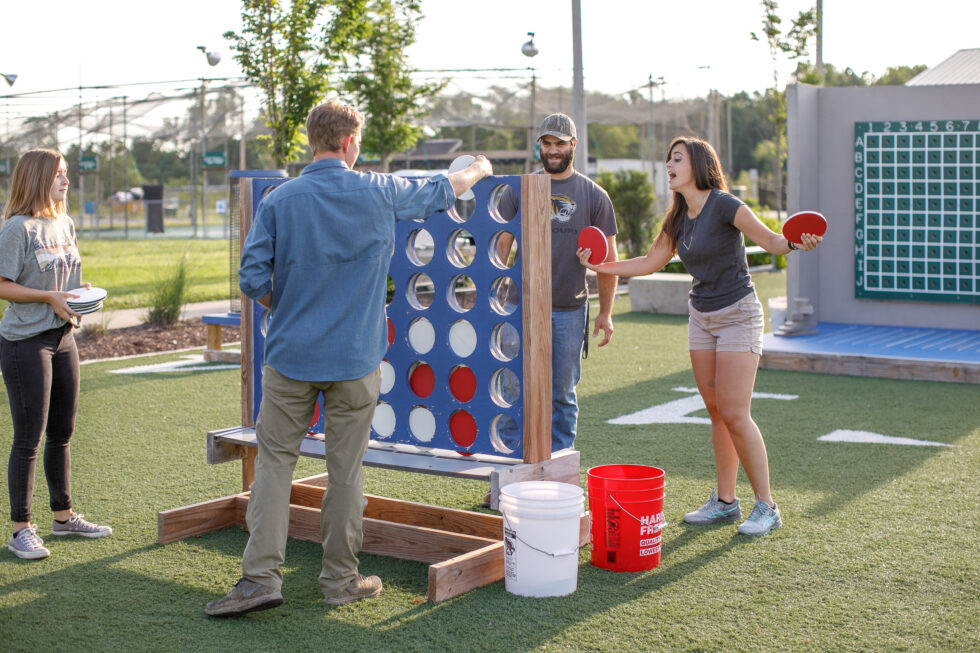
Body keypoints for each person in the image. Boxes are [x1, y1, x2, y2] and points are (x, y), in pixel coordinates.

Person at [205, 99, 492, 617]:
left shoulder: (280, 199)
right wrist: (478, 167)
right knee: (346, 473)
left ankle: (258, 580)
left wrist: (287, 304)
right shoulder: (378, 190)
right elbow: (439, 190)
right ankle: (340, 581)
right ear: (349, 141)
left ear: (314, 140)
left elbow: (251, 280)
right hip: (356, 360)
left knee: (273, 467)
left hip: (291, 355)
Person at [577, 136, 822, 537]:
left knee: (735, 412)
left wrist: (797, 241)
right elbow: (649, 261)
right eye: (667, 159)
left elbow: (772, 241)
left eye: (676, 159)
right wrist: (600, 265)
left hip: (738, 314)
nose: (668, 166)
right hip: (701, 316)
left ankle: (768, 506)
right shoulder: (676, 218)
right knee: (715, 412)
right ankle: (726, 503)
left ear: (698, 165)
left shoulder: (725, 204)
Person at [1, 149, 113, 561]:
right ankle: (20, 530)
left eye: (67, 174)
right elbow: (2, 283)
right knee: (29, 438)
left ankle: (63, 519)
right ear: (38, 178)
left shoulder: (64, 222)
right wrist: (49, 296)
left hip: (63, 338)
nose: (66, 181)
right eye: (59, 175)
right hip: (25, 342)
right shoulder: (18, 228)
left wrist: (79, 301)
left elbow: (69, 282)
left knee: (62, 433)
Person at [496, 113, 619, 457]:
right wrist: (495, 300)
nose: (552, 151)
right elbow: (499, 248)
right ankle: (506, 469)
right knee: (511, 390)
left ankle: (559, 472)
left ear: (573, 145)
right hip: (518, 307)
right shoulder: (519, 189)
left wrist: (606, 313)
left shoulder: (594, 196)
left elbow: (609, 262)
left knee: (562, 394)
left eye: (559, 144)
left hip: (569, 309)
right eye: (546, 144)